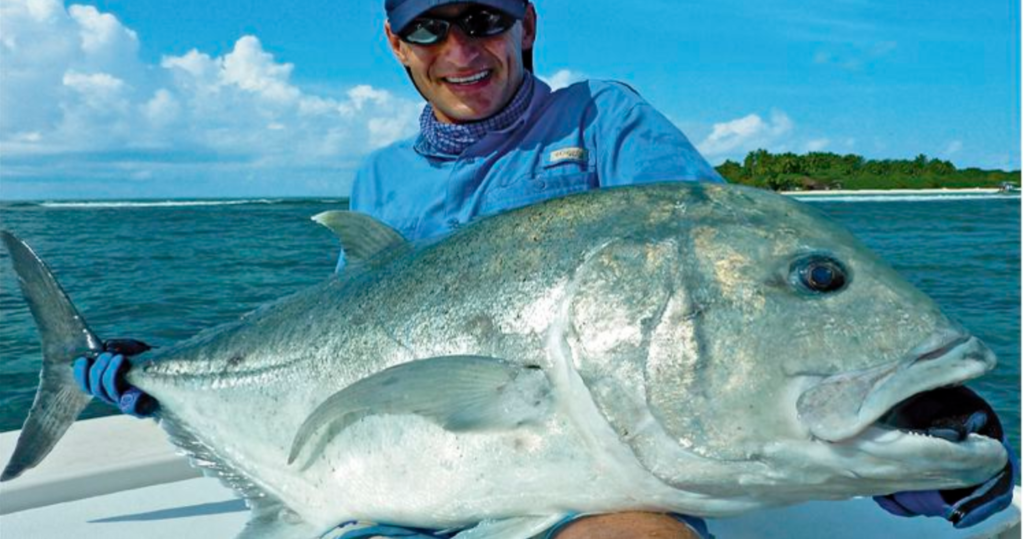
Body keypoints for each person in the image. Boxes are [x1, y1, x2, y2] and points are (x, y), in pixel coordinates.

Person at [74, 1, 1017, 538]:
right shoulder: (379, 179)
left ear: (526, 24)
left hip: (592, 487)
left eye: (483, 19)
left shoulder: (604, 121)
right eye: (428, 29)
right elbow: (335, 348)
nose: (461, 51)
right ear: (396, 45)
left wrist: (911, 447)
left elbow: (715, 271)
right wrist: (164, 383)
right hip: (389, 490)